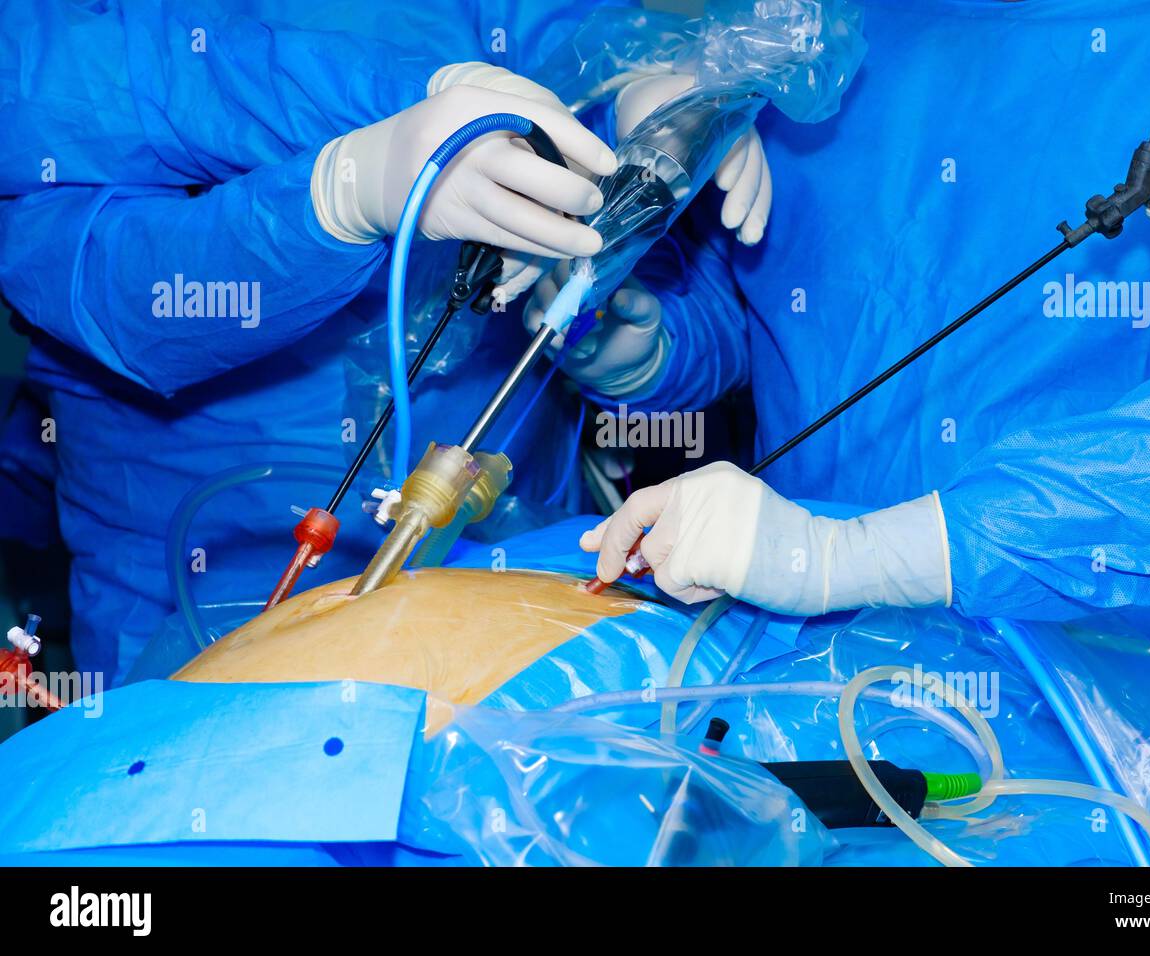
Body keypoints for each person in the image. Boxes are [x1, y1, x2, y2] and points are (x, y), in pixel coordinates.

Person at [0, 0, 770, 685]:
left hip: (510, 575)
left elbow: (715, 313)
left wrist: (649, 353)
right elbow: (103, 284)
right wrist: (339, 193)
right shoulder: (80, 37)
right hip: (197, 586)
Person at [559, 0, 1150, 642]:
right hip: (796, 655)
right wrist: (652, 345)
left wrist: (872, 557)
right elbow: (770, 301)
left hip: (1122, 701)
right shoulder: (811, 38)